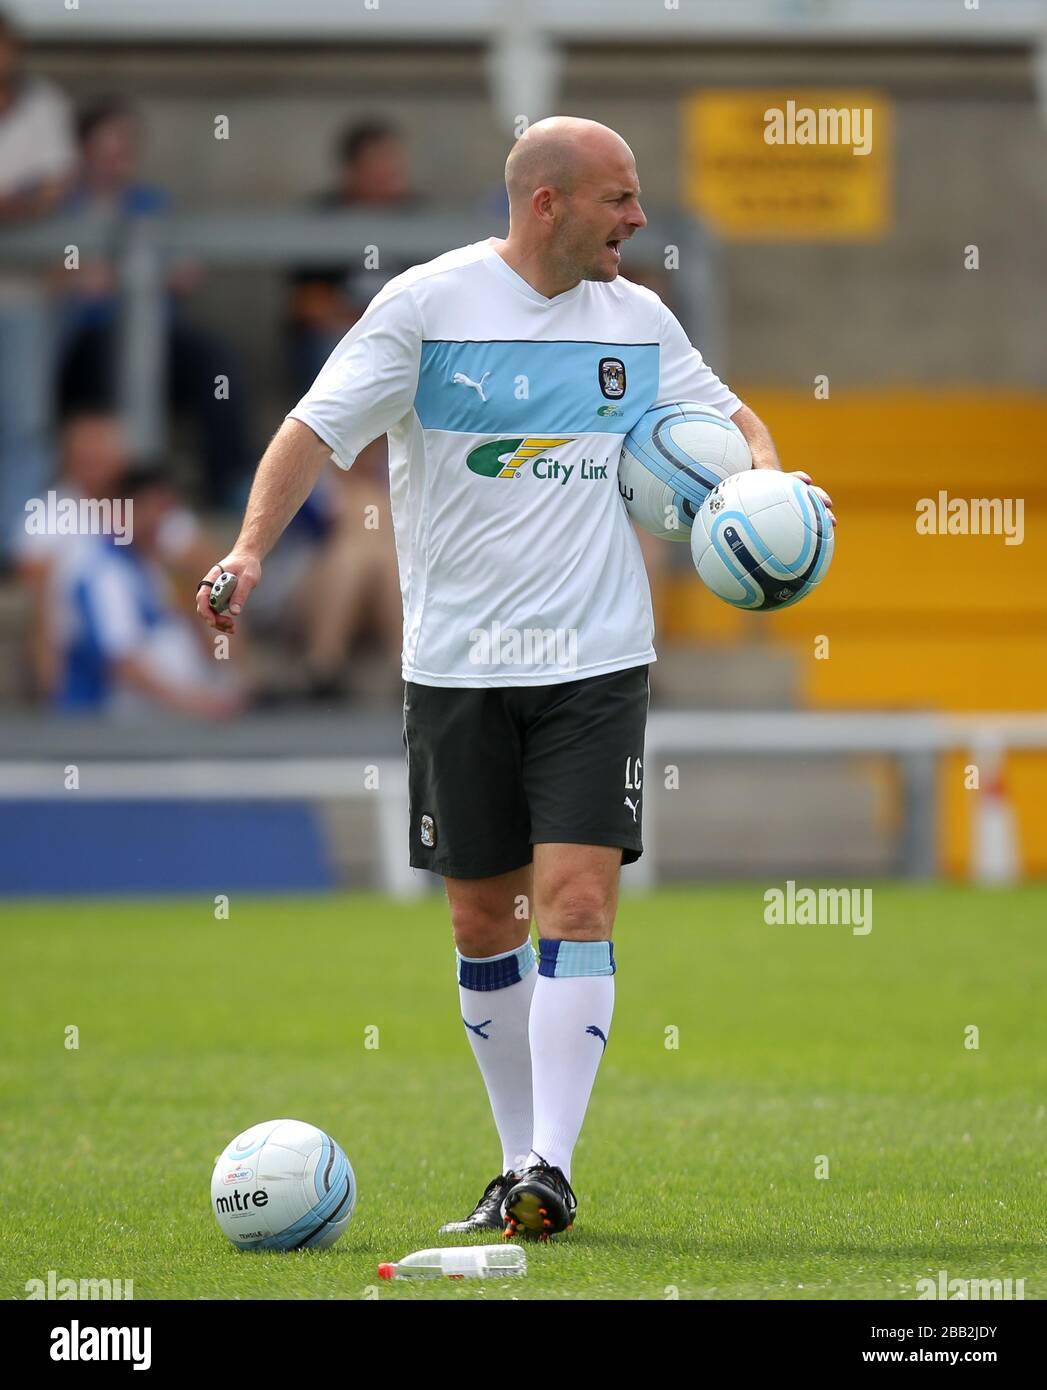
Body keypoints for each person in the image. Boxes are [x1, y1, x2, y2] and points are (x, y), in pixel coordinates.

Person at [195, 116, 836, 1239]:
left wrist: (767, 485)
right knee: (481, 919)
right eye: (619, 199)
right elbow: (310, 431)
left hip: (597, 661)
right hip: (457, 667)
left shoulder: (638, 320)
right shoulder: (427, 309)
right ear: (548, 202)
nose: (638, 220)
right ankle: (513, 1159)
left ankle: (552, 1162)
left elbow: (733, 419)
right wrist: (249, 546)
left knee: (578, 900)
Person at [55, 98, 255, 508]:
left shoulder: (151, 202)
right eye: (107, 150)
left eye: (125, 150)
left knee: (216, 361)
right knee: (104, 365)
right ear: (82, 152)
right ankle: (117, 496)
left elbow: (184, 269)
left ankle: (230, 482)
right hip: (85, 340)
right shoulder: (63, 206)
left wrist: (129, 276)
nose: (117, 161)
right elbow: (61, 278)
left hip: (158, 338)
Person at [0, 7, 75, 568]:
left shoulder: (45, 106)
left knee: (25, 421)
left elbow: (53, 188)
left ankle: (12, 547)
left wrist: (21, 202)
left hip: (23, 293)